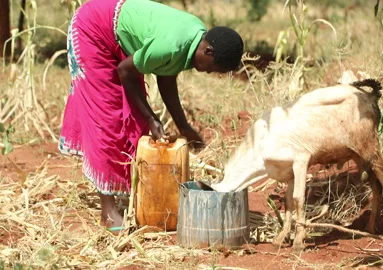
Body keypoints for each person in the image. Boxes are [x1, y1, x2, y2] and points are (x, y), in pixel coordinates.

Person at [58, 0, 244, 233]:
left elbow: (166, 75)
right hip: (92, 30)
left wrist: (183, 125)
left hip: (117, 38)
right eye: (211, 68)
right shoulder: (171, 45)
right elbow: (125, 70)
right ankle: (107, 211)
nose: (207, 72)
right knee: (107, 118)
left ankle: (126, 192)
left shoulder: (194, 39)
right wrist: (151, 118)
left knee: (132, 116)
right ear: (208, 51)